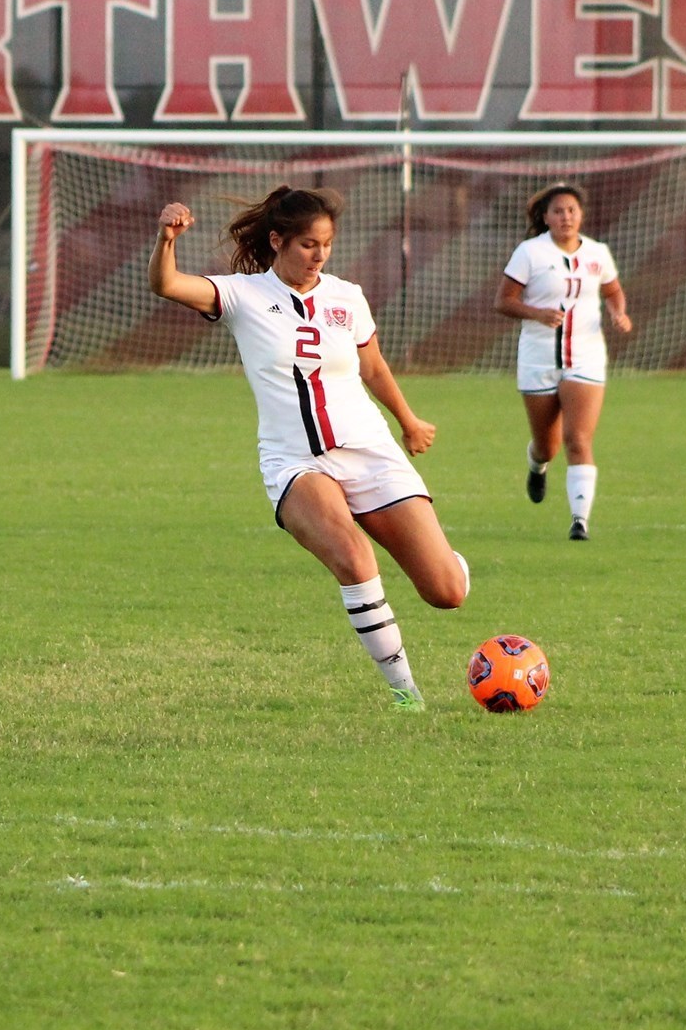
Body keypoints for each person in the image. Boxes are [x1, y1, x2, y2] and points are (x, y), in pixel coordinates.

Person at [148, 187, 468, 712]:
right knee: (354, 556)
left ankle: (442, 558)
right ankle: (405, 692)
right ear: (277, 241)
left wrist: (408, 420)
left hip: (370, 453)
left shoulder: (347, 296)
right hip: (295, 462)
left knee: (446, 591)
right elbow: (167, 284)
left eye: (326, 244)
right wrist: (166, 240)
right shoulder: (241, 294)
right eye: (307, 245)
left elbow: (373, 367)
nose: (319, 255)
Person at [493, 183, 631, 541]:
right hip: (538, 357)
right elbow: (504, 301)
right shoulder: (530, 252)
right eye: (558, 211)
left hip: (586, 356)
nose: (566, 217)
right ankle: (537, 466)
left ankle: (579, 520)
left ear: (581, 215)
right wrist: (536, 313)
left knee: (578, 438)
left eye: (571, 210)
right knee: (547, 445)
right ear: (545, 217)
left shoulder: (598, 252)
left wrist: (619, 313)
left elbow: (613, 291)